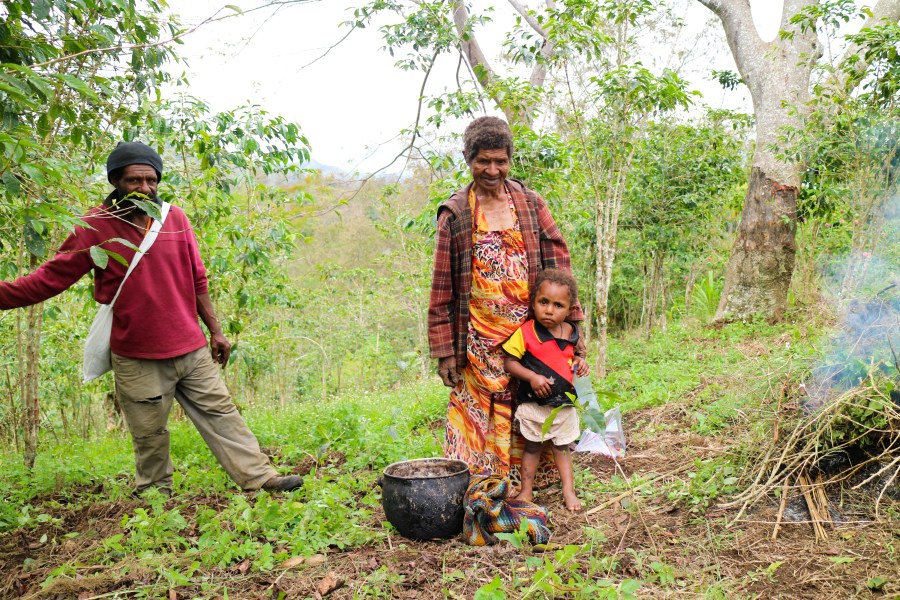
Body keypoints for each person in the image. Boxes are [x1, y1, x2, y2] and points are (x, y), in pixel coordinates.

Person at [0, 142, 302, 496]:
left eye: (150, 180)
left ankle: (261, 478)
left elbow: (197, 278)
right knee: (149, 433)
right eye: (134, 181)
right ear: (116, 181)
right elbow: (48, 279)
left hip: (191, 347)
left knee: (223, 415)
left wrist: (216, 331)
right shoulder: (94, 227)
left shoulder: (175, 219)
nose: (144, 189)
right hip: (137, 355)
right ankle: (156, 496)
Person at [428, 116, 585, 490]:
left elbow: (559, 264)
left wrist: (574, 330)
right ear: (469, 159)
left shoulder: (530, 204)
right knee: (483, 410)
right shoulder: (456, 214)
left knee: (531, 400)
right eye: (483, 160)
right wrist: (445, 351)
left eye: (501, 160)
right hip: (479, 338)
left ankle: (527, 483)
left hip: (533, 333)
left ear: (510, 160)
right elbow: (441, 288)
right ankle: (484, 484)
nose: (493, 169)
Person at [502, 269, 587, 511]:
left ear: (569, 309)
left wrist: (581, 363)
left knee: (562, 448)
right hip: (534, 405)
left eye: (558, 305)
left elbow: (573, 359)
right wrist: (533, 377)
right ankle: (526, 490)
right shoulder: (526, 332)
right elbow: (509, 362)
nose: (549, 310)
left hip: (564, 405)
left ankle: (569, 492)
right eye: (543, 302)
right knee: (532, 447)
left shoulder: (571, 333)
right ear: (533, 302)